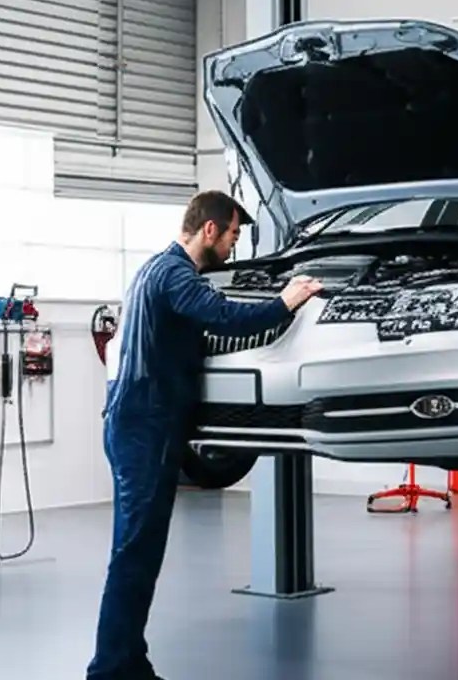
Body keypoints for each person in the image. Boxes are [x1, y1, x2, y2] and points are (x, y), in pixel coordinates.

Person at [86, 190, 324, 680]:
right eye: (234, 234)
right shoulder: (176, 275)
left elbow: (204, 335)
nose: (236, 246)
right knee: (134, 553)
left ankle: (129, 660)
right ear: (210, 230)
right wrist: (286, 301)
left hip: (134, 422)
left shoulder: (152, 269)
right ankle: (109, 669)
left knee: (139, 553)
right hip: (144, 429)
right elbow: (225, 316)